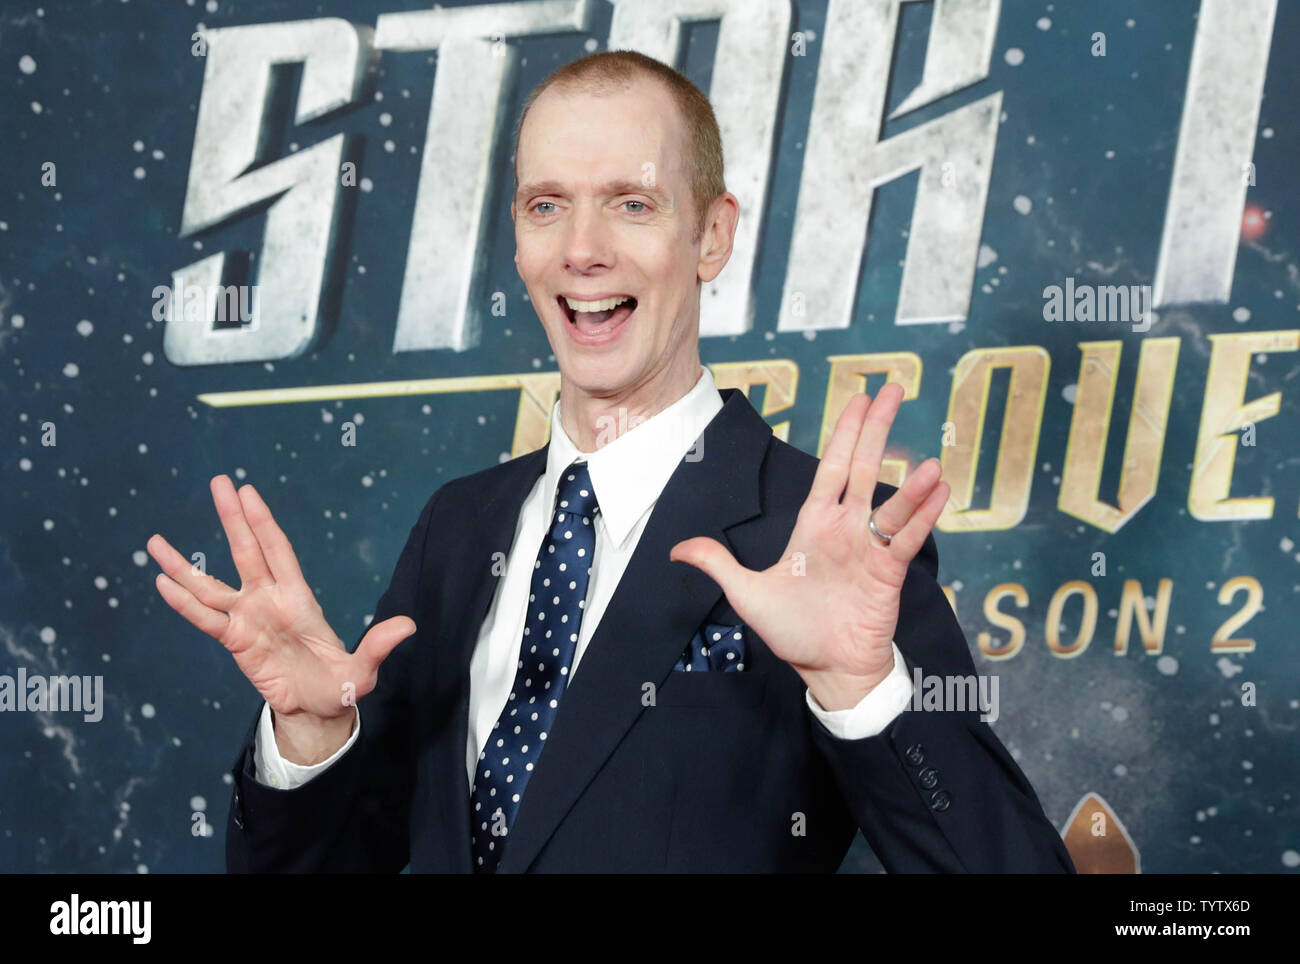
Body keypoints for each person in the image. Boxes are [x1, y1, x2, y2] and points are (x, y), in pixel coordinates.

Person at [147, 50, 1074, 873]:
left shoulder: (825, 533)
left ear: (712, 235)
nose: (583, 251)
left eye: (632, 205)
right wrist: (311, 741)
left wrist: (861, 691)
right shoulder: (457, 530)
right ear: (517, 237)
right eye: (547, 206)